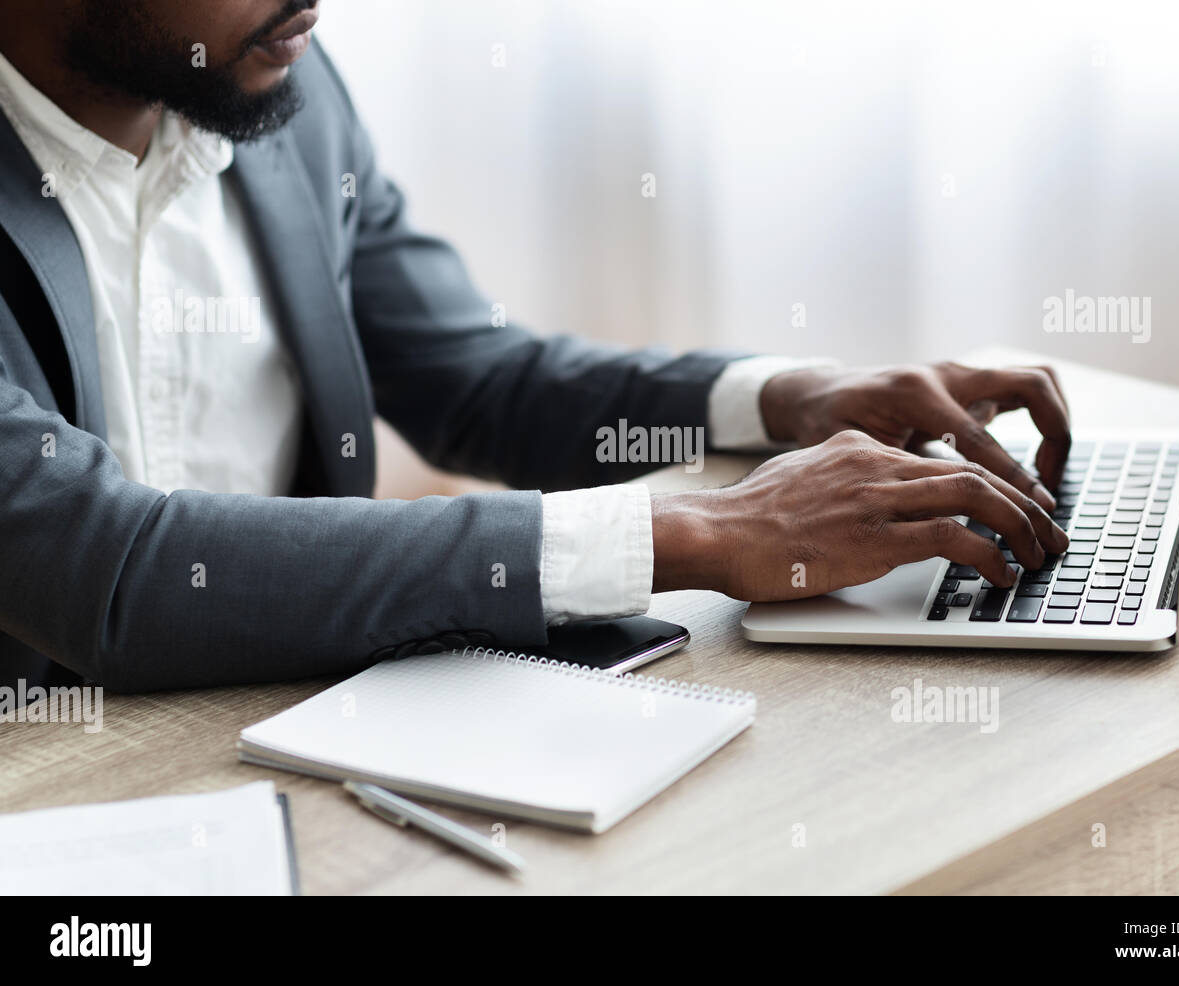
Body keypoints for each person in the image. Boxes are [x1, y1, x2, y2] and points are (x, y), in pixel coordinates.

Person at [0, 0, 1070, 695]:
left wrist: (782, 396)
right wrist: (696, 532)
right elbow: (113, 569)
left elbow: (475, 379)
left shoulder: (274, 84)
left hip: (293, 724)